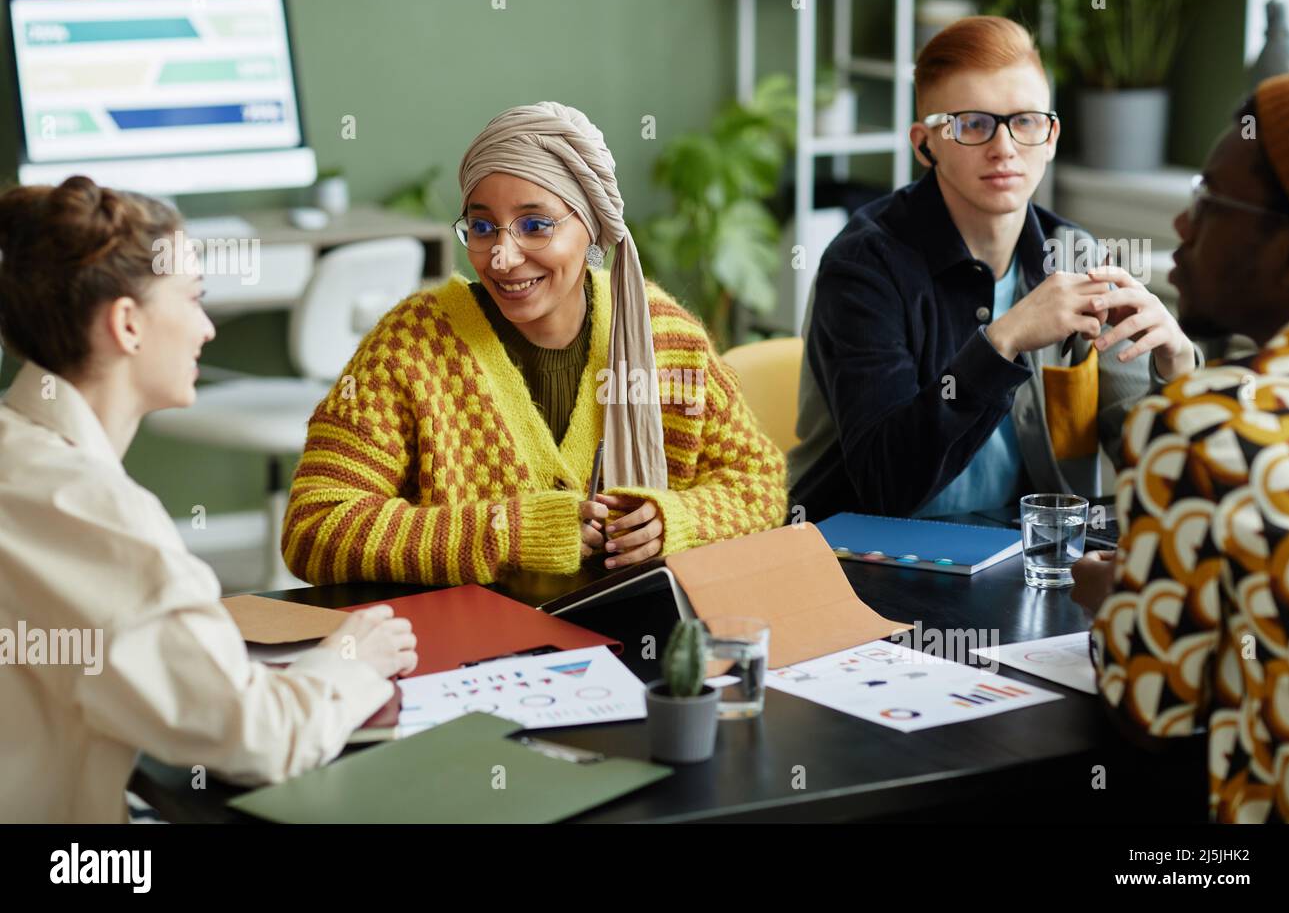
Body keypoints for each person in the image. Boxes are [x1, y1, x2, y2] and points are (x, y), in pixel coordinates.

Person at [0, 177, 417, 822]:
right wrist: (351, 658)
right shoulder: (94, 515)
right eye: (195, 300)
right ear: (128, 324)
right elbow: (259, 739)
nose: (207, 328)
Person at [281, 102, 787, 589]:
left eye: (535, 226)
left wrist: (676, 520)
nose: (501, 257)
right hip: (468, 660)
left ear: (590, 225)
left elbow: (760, 487)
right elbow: (314, 526)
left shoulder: (668, 341)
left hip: (631, 648)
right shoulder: (411, 348)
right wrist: (508, 532)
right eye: (481, 227)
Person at [788, 17, 1198, 522]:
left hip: (1026, 563)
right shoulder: (863, 268)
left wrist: (1176, 370)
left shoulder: (1076, 258)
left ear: (1050, 137)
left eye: (1025, 121)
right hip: (863, 567)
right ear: (925, 144)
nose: (1004, 147)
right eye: (973, 124)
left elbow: (1161, 477)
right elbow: (884, 485)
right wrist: (1001, 343)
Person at [1072, 73, 1289, 823]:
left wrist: (1120, 604)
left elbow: (1153, 717)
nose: (1181, 220)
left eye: (1208, 198)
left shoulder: (1209, 426)